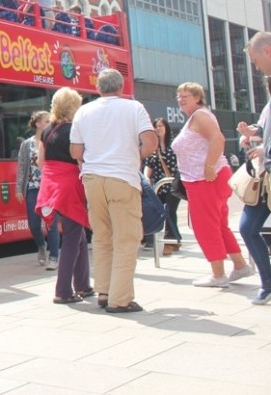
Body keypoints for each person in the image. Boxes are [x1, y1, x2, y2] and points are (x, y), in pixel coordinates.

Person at [70, 68, 157, 313]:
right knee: (126, 238)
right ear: (121, 87)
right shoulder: (134, 108)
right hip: (122, 178)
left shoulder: (83, 111)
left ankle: (104, 291)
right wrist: (133, 156)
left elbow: (76, 152)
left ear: (98, 88)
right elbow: (150, 142)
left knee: (101, 236)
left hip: (92, 179)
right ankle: (120, 299)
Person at [171, 82, 252, 288]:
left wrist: (208, 166)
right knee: (218, 224)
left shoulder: (200, 116)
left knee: (205, 226)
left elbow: (218, 139)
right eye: (179, 95)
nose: (180, 99)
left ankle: (218, 274)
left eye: (186, 95)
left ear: (197, 98)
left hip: (206, 178)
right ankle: (239, 265)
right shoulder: (197, 116)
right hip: (205, 178)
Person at [36, 90, 92, 303]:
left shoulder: (47, 129)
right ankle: (63, 291)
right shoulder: (75, 129)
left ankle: (83, 285)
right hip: (70, 186)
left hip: (50, 185)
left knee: (77, 236)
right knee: (71, 237)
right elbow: (81, 158)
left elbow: (41, 162)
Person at [238, 33, 271, 304]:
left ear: (268, 51)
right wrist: (253, 133)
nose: (255, 66)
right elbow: (264, 127)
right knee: (248, 228)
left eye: (255, 59)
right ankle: (267, 282)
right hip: (266, 175)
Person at [16, 110, 60, 268]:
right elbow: (21, 167)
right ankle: (41, 245)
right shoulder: (26, 144)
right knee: (34, 223)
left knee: (52, 223)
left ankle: (54, 257)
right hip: (32, 187)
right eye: (47, 121)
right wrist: (19, 188)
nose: (49, 124)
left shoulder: (53, 141)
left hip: (49, 188)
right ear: (38, 123)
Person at [142, 117, 183, 256]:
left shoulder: (174, 145)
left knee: (170, 212)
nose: (158, 128)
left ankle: (169, 243)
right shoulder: (152, 147)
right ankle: (175, 238)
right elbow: (148, 164)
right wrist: (146, 177)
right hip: (159, 185)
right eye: (156, 126)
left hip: (173, 184)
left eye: (161, 126)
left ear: (166, 128)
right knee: (163, 212)